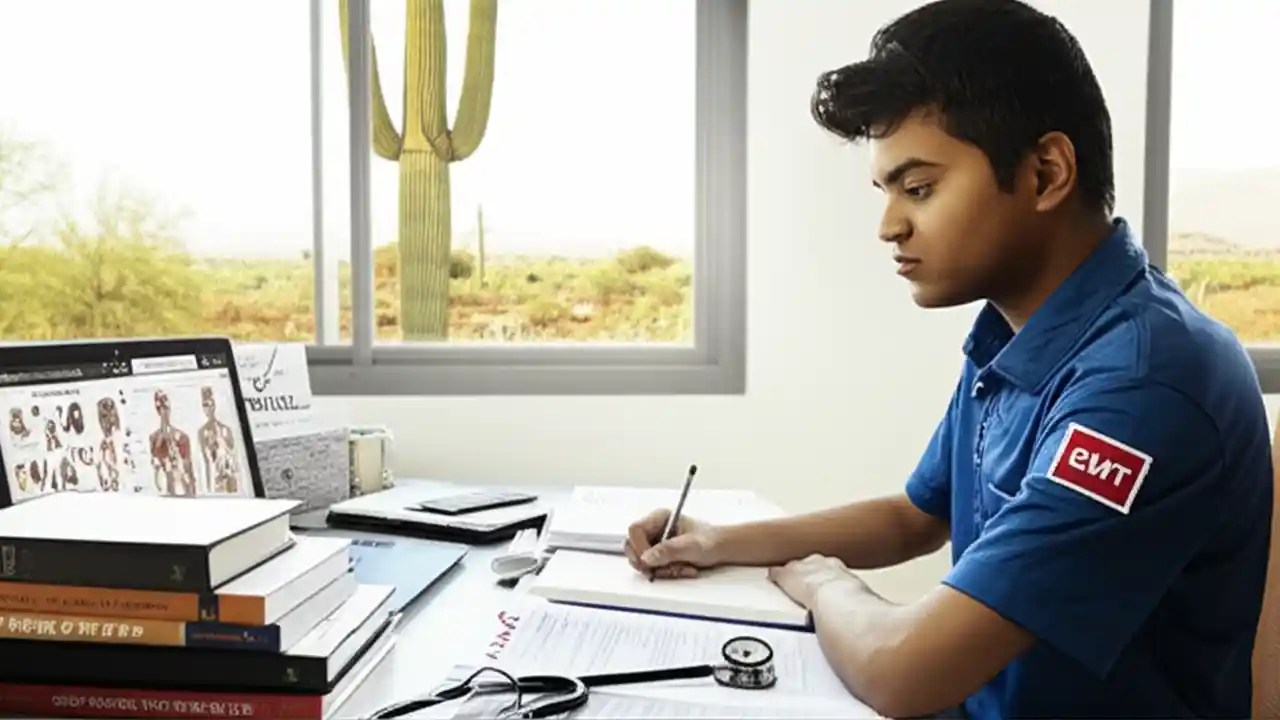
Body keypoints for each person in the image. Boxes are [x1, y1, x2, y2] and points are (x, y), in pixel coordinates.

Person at [626, 1, 1273, 717]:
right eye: (886, 191)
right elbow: (914, 515)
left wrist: (820, 583)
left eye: (920, 188)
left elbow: (903, 671)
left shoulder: (1145, 383)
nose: (889, 225)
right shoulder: (1020, 330)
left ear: (1046, 172)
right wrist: (721, 542)